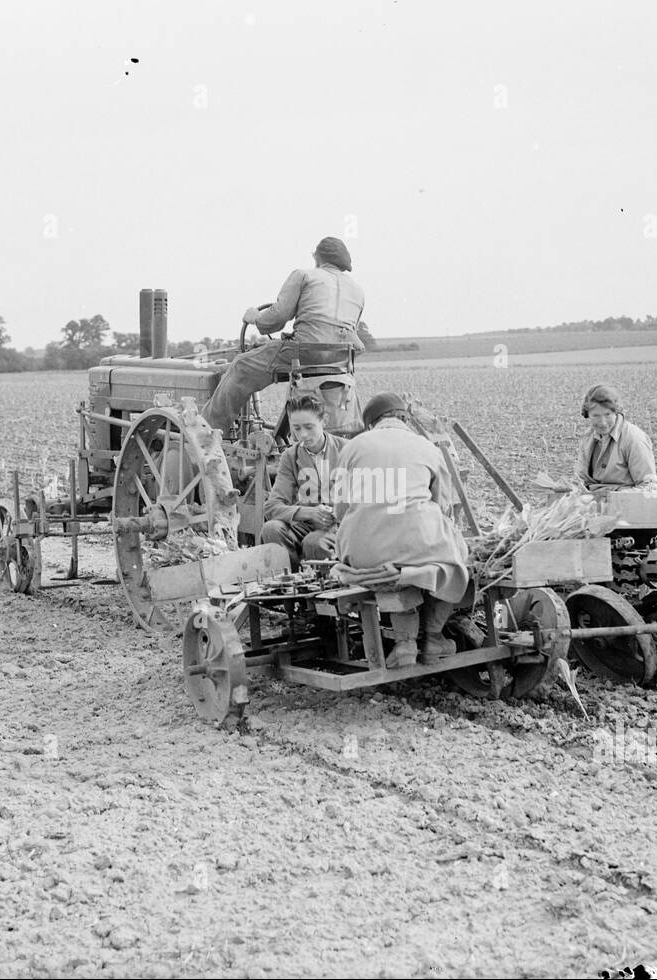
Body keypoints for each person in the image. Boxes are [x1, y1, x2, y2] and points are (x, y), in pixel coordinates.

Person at [332, 392, 470, 668]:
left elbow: (340, 509)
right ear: (404, 418)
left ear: (371, 424)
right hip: (418, 548)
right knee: (457, 557)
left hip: (363, 555)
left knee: (394, 562)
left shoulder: (352, 447)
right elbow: (443, 504)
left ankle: (405, 644)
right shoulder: (427, 447)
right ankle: (433, 639)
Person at [201, 236, 366, 434]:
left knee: (241, 365)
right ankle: (280, 432)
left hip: (303, 353)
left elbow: (278, 317)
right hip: (339, 359)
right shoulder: (357, 290)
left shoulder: (304, 276)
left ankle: (206, 432)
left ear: (318, 258)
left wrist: (256, 317)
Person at [260, 392, 346, 570]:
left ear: (324, 421)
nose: (303, 435)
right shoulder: (290, 457)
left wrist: (333, 514)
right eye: (297, 429)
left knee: (313, 542)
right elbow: (272, 506)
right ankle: (290, 583)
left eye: (309, 427)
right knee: (271, 529)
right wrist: (309, 513)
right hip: (304, 525)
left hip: (340, 525)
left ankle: (327, 591)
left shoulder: (347, 450)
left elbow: (363, 500)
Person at [574, 384, 657, 490]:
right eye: (596, 416)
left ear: (616, 411)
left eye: (607, 414)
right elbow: (580, 479)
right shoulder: (587, 437)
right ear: (587, 415)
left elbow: (650, 486)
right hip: (594, 500)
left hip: (625, 501)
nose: (603, 423)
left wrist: (616, 499)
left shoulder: (634, 438)